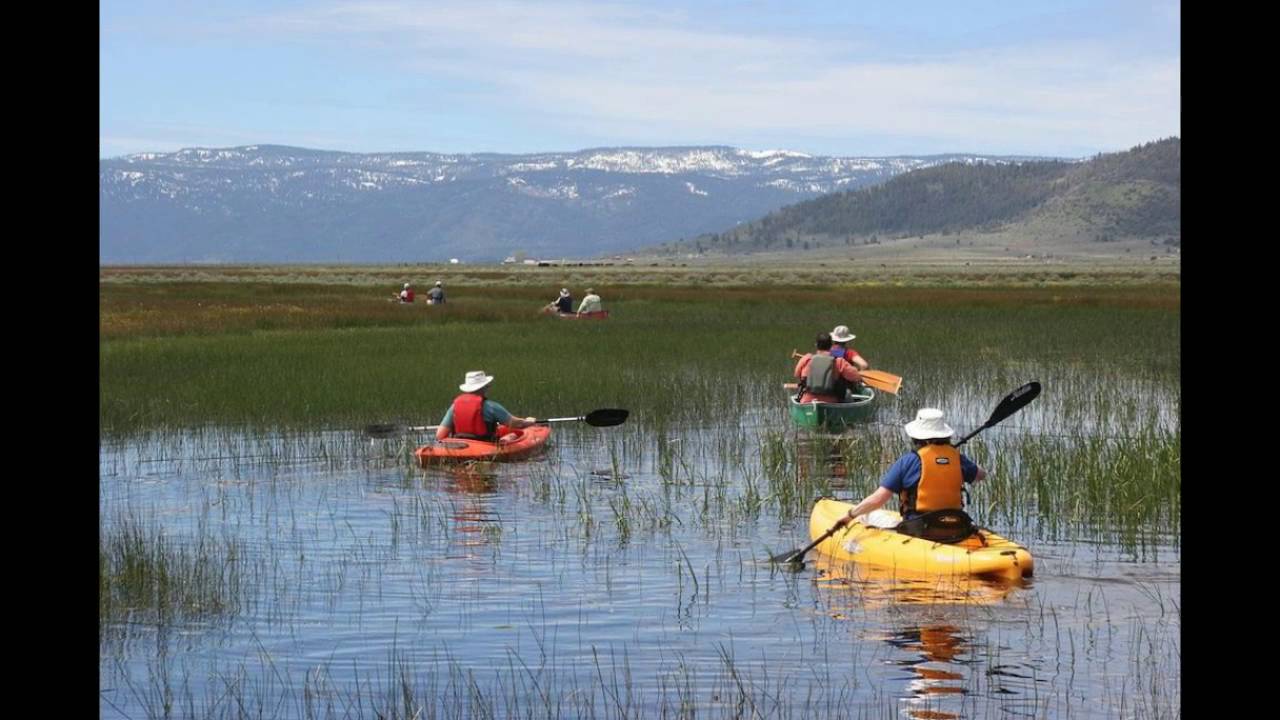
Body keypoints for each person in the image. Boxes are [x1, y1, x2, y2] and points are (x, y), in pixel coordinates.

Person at [833, 408, 988, 540]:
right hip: (955, 526)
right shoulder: (958, 458)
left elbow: (878, 500)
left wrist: (849, 516)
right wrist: (952, 457)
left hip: (920, 530)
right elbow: (981, 475)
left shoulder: (909, 461)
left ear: (917, 437)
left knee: (866, 515)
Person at [435, 370, 538, 442]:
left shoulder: (454, 407)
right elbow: (515, 424)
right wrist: (528, 421)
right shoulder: (491, 407)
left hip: (459, 446)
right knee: (513, 435)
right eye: (487, 386)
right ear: (484, 388)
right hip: (485, 445)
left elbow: (440, 435)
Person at [793, 332, 863, 403]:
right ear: (830, 346)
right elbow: (856, 377)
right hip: (832, 401)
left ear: (816, 345)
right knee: (847, 393)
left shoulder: (806, 359)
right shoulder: (838, 362)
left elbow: (796, 374)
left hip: (807, 401)